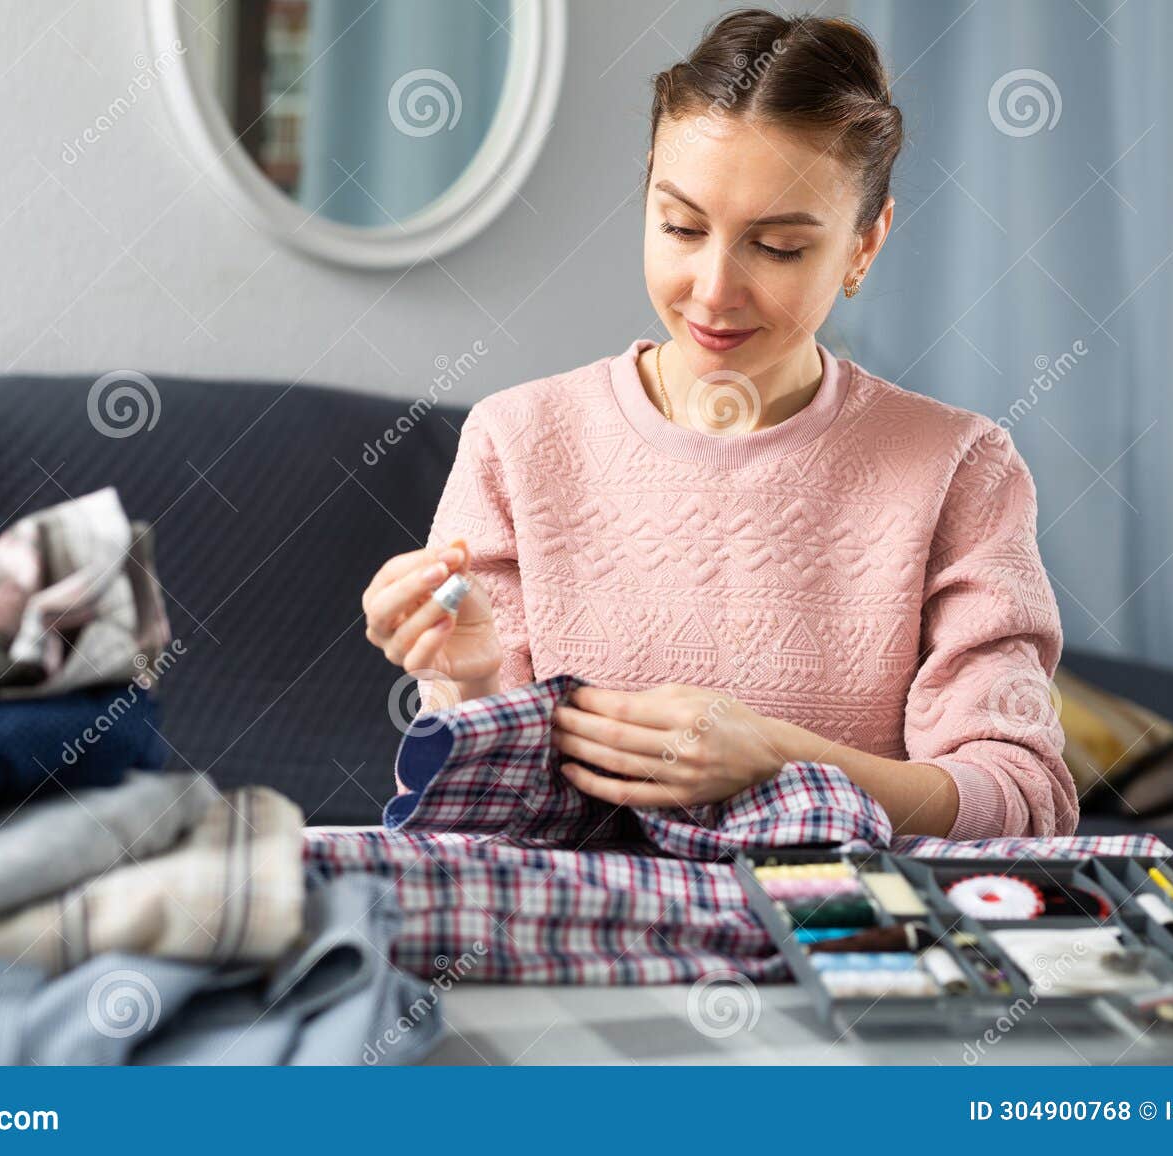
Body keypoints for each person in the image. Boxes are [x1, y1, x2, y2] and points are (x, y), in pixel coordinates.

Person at [361, 8, 1076, 840]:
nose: (712, 290)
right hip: (587, 941)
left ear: (864, 246)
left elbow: (1022, 802)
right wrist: (471, 686)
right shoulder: (516, 441)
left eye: (776, 246)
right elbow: (487, 829)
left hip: (835, 949)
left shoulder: (959, 467)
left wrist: (782, 756)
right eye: (681, 227)